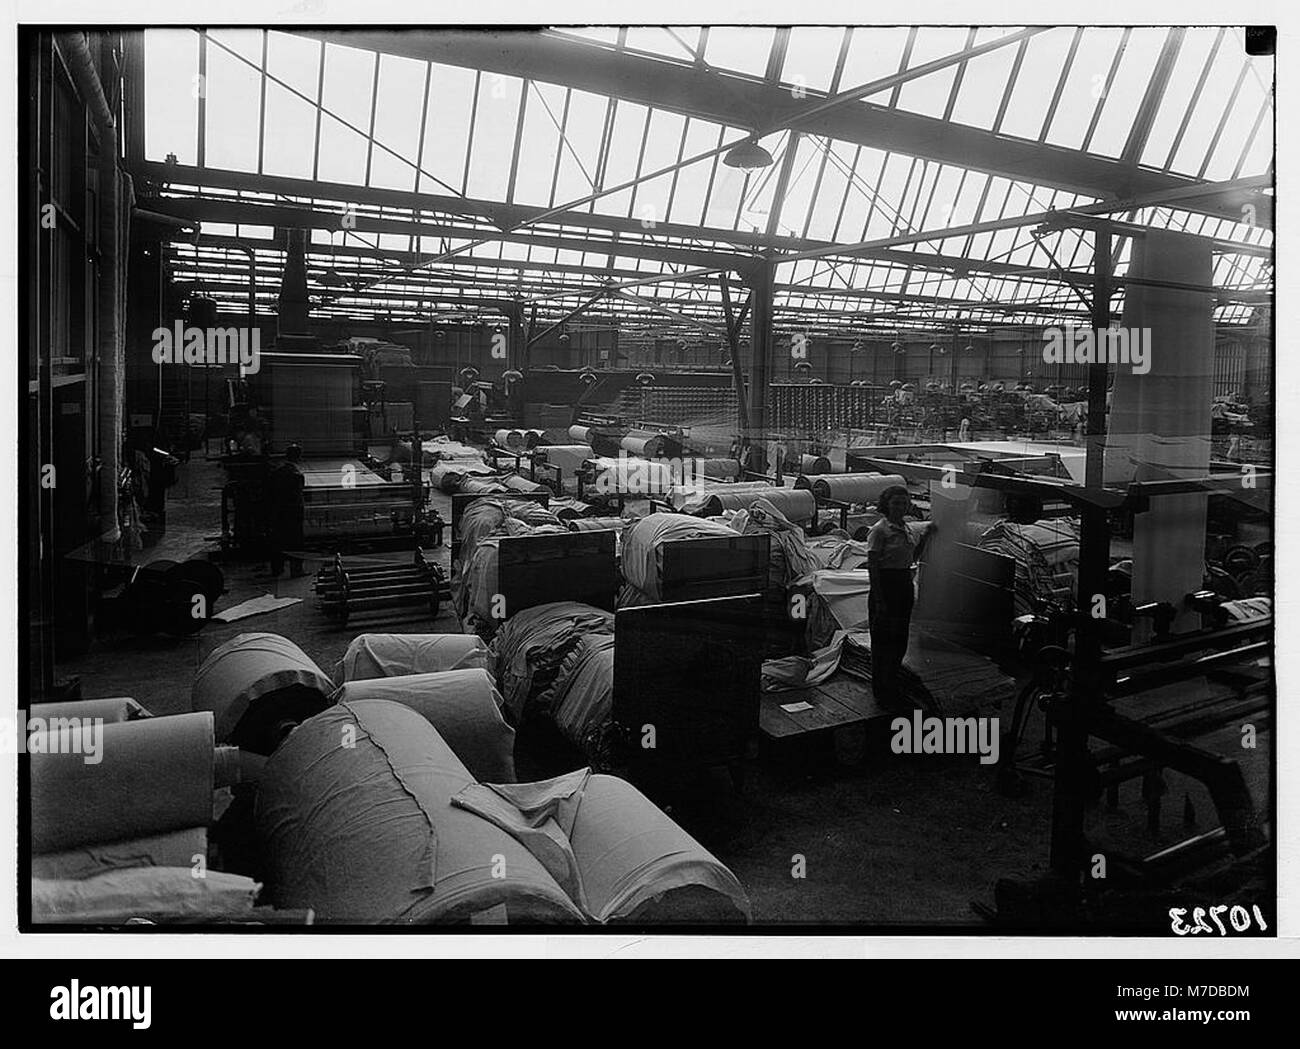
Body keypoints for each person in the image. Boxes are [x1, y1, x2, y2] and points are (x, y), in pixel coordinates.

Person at [866, 485, 917, 710]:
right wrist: (879, 600)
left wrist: (926, 538)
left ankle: (893, 687)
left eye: (904, 503)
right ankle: (881, 692)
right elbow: (873, 567)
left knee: (899, 640)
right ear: (886, 504)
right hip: (886, 587)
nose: (900, 507)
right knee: (882, 643)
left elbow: (910, 557)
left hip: (903, 585)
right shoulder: (879, 530)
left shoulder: (906, 528)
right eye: (896, 502)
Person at [267, 443, 306, 578]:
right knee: (295, 542)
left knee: (278, 540)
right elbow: (298, 497)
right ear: (299, 457)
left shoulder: (277, 472)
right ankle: (296, 570)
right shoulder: (297, 475)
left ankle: (277, 569)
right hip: (293, 513)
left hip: (277, 512)